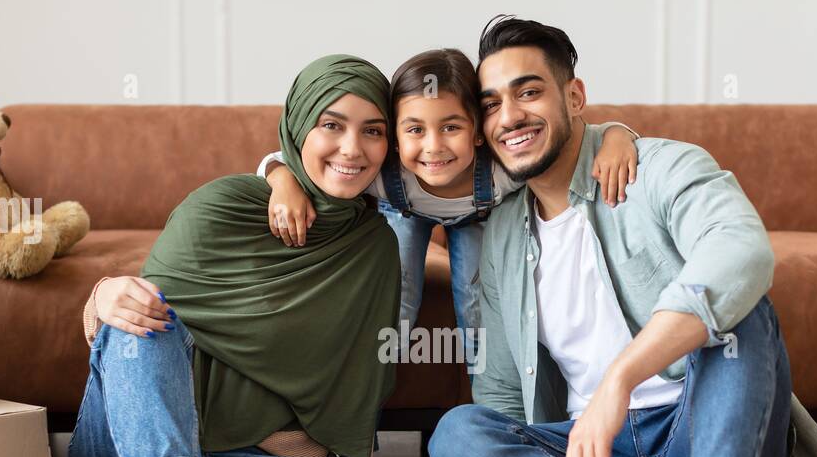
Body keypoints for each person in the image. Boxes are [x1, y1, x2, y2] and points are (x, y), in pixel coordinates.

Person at [428, 17, 817, 457]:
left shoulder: (659, 167)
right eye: (491, 105)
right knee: (457, 435)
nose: (510, 115)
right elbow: (503, 384)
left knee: (743, 316)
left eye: (529, 92)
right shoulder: (502, 231)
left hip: (710, 452)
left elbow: (742, 254)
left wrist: (620, 378)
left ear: (574, 96)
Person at [42, 54, 451, 457]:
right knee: (141, 312)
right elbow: (132, 355)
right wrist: (103, 296)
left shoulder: (371, 249)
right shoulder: (223, 206)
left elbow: (347, 409)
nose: (352, 148)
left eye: (372, 131)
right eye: (331, 125)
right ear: (296, 128)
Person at [256, 47, 641, 374]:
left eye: (451, 127)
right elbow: (281, 160)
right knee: (397, 295)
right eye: (415, 130)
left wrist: (618, 134)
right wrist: (282, 182)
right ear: (393, 135)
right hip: (403, 213)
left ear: (477, 131)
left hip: (475, 219)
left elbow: (572, 143)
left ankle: (489, 402)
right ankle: (369, 392)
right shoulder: (378, 172)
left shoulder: (502, 171)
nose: (433, 147)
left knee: (476, 305)